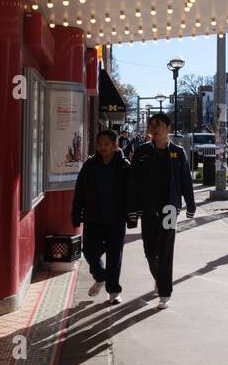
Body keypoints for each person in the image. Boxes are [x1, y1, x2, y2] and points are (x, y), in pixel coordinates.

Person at [128, 112, 196, 308]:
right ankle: (160, 278)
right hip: (148, 208)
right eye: (152, 125)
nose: (155, 129)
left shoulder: (178, 152)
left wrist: (191, 204)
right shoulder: (142, 152)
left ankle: (165, 292)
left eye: (159, 125)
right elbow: (133, 183)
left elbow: (185, 181)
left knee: (166, 249)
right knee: (150, 250)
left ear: (168, 128)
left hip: (169, 208)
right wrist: (132, 209)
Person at [72, 129, 131, 303]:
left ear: (115, 145)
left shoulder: (124, 166)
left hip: (116, 219)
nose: (102, 147)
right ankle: (101, 276)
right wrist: (76, 213)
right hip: (93, 218)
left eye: (106, 144)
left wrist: (133, 215)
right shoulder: (89, 165)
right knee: (89, 251)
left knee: (114, 256)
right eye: (99, 144)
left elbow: (132, 193)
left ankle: (113, 292)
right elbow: (79, 192)